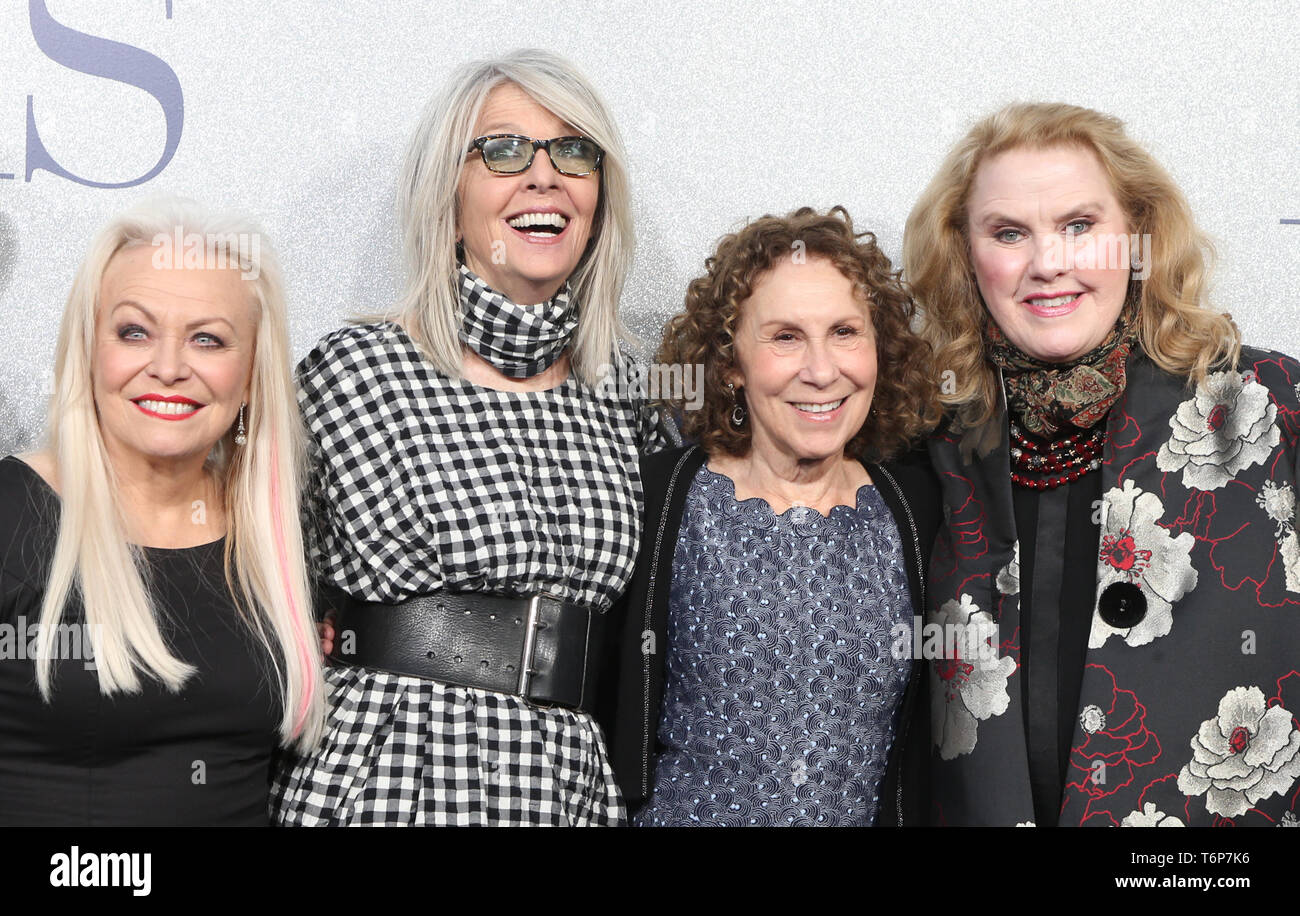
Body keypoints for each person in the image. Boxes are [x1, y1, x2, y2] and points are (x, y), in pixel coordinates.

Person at [271, 49, 670, 826]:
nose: (544, 176)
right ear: (447, 196)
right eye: (503, 149)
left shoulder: (628, 393)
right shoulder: (355, 373)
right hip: (385, 772)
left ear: (599, 196)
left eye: (574, 151)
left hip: (566, 783)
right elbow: (247, 586)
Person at [904, 102, 1300, 827]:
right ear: (965, 254)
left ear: (1139, 239)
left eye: (1079, 226)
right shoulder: (922, 440)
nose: (1048, 262)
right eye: (1008, 232)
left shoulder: (1272, 409)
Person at [601, 207, 943, 826]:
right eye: (785, 337)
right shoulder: (657, 497)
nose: (820, 370)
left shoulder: (921, 509)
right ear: (731, 363)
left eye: (845, 332)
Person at [0, 197, 325, 825]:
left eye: (208, 339)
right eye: (134, 332)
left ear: (253, 375)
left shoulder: (272, 538)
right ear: (89, 351)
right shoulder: (11, 511)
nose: (169, 368)